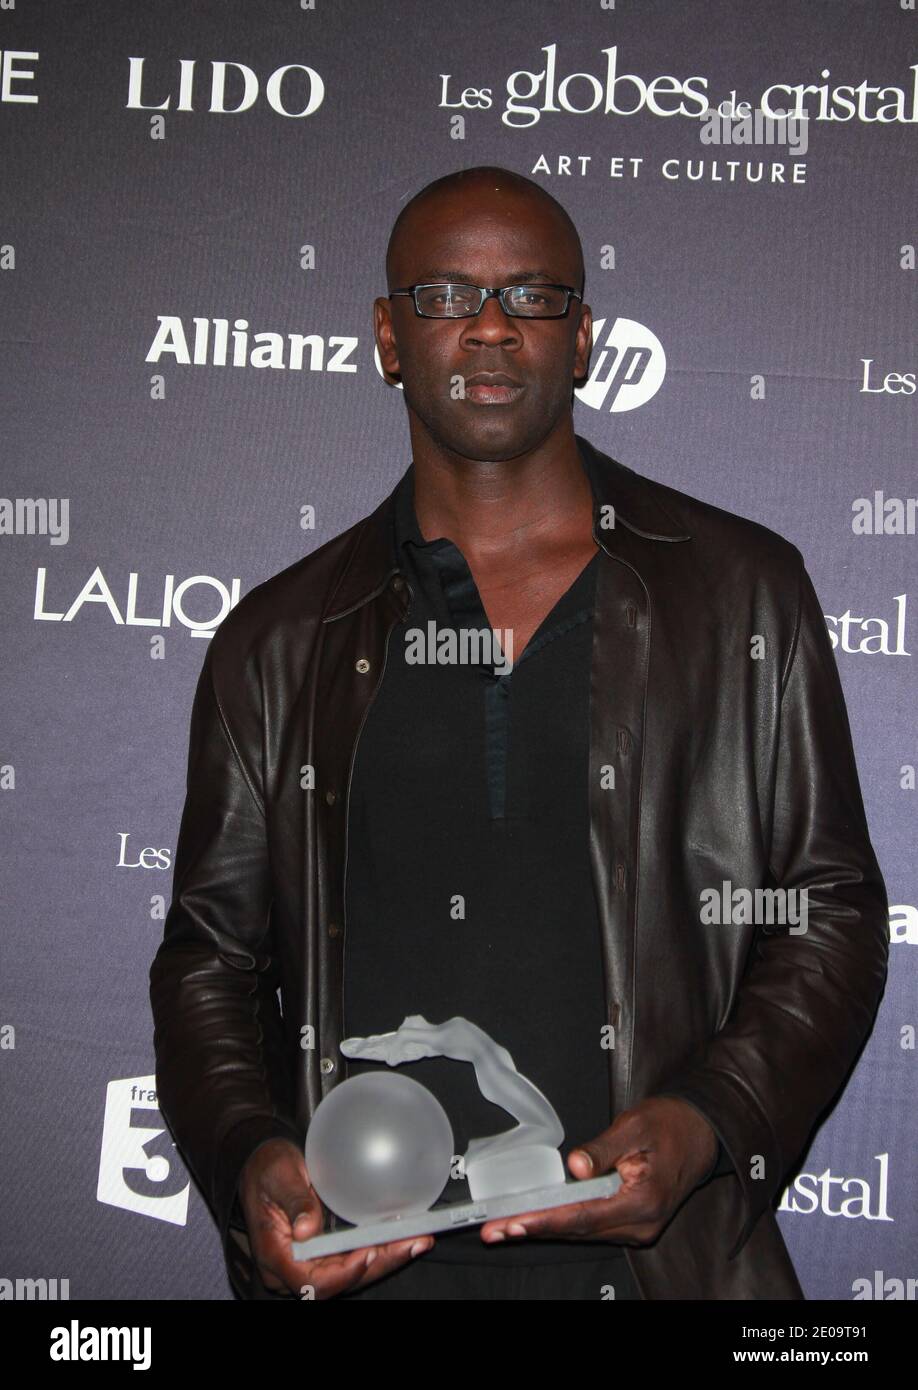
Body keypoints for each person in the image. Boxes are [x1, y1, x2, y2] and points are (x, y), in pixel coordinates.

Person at [149, 165, 889, 1301]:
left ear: (582, 337)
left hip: (661, 1267)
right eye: (447, 296)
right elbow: (211, 960)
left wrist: (708, 1122)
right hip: (371, 1267)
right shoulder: (280, 637)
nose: (491, 327)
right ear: (390, 337)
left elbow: (827, 908)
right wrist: (251, 1152)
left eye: (533, 297)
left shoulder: (740, 592)